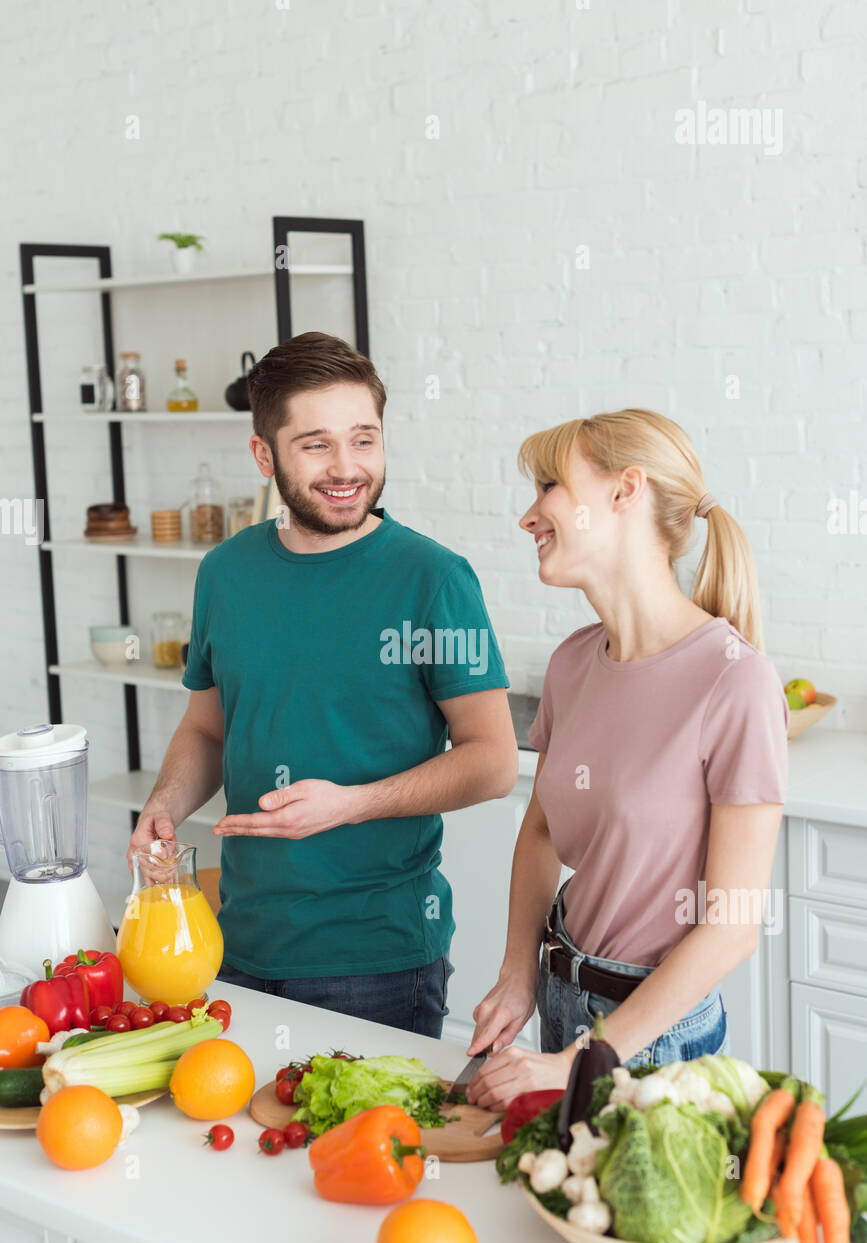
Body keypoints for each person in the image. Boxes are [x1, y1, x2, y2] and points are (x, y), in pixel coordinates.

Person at [127, 332, 517, 1036]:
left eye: (363, 440)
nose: (346, 468)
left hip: (376, 960)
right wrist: (165, 802)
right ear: (263, 455)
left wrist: (352, 804)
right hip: (237, 939)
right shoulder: (225, 572)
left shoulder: (431, 578)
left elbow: (492, 761)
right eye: (315, 445)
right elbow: (208, 727)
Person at [466, 408, 787, 1108]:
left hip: (652, 1041)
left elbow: (731, 926)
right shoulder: (573, 662)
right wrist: (518, 975)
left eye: (549, 485)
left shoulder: (734, 680)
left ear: (624, 492)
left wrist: (583, 1059)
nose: (528, 517)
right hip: (559, 1002)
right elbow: (543, 832)